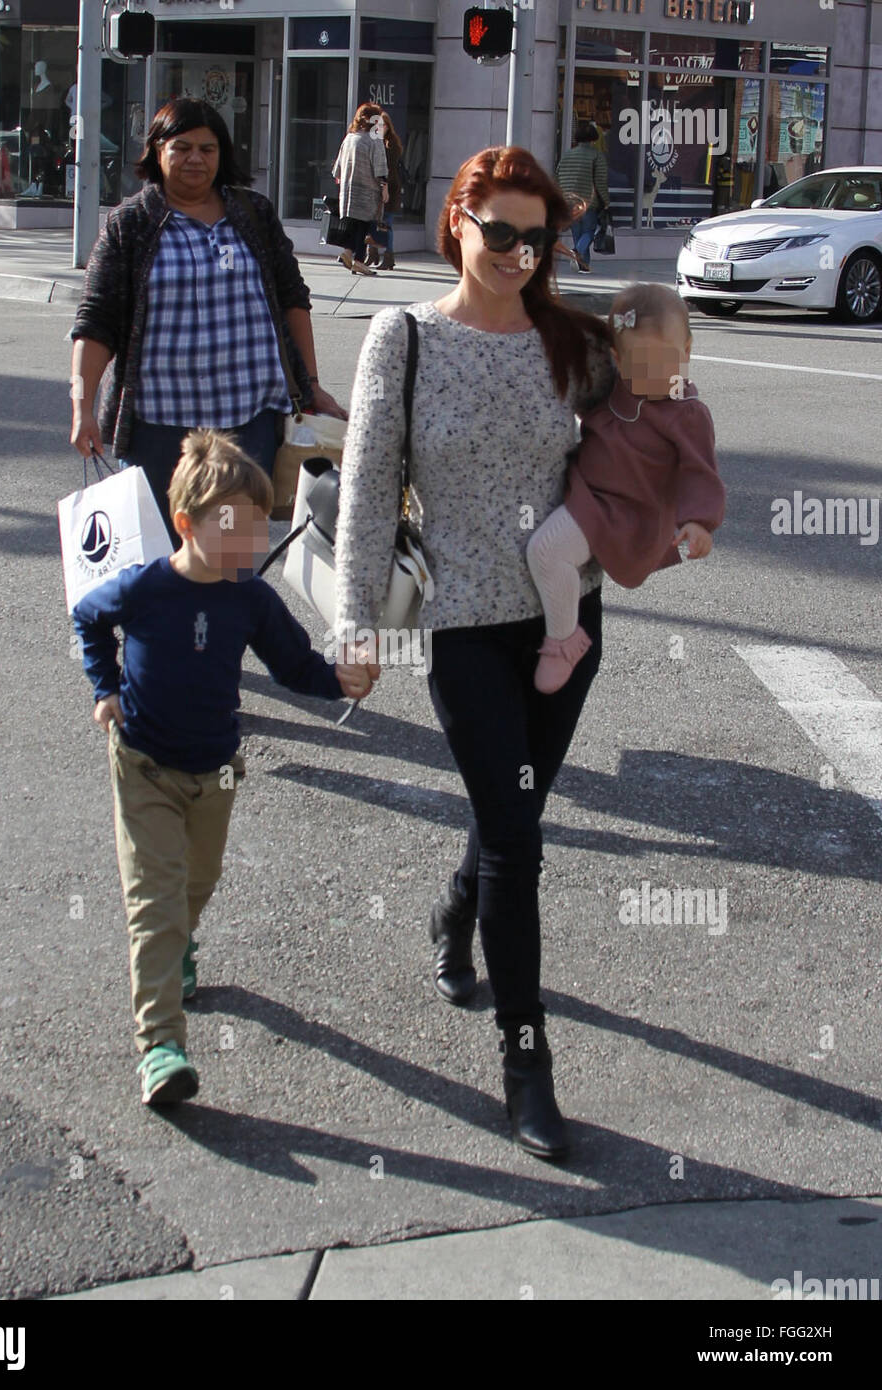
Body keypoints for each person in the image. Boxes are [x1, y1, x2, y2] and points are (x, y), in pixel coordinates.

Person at [333, 146, 616, 1162]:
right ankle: (526, 1058)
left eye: (537, 238)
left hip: (563, 627)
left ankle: (457, 912)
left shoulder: (573, 343)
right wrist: (357, 625)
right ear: (456, 222)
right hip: (459, 627)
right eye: (499, 231)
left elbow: (640, 448)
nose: (519, 254)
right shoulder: (403, 338)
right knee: (516, 835)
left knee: (515, 814)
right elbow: (367, 489)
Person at [72, 430, 378, 1106]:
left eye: (257, 527)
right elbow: (88, 618)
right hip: (143, 765)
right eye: (232, 528)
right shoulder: (144, 589)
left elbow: (296, 667)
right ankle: (161, 1048)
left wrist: (343, 681)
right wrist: (105, 689)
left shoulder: (250, 598)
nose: (249, 543)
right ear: (185, 523)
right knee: (153, 905)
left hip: (215, 773)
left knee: (196, 884)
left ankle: (180, 947)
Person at [70, 97, 346, 541]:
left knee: (232, 553)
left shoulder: (253, 214)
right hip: (159, 427)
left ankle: (223, 615)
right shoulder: (130, 224)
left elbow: (293, 300)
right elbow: (96, 321)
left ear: (222, 156)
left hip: (248, 422)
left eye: (208, 148)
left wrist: (310, 383)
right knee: (162, 552)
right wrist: (82, 407)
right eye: (181, 147)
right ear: (157, 152)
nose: (195, 158)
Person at [526, 284, 725, 693]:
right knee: (542, 551)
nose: (652, 375)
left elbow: (699, 471)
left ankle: (564, 641)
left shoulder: (687, 414)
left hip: (624, 513)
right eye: (639, 364)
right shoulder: (617, 385)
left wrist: (699, 522)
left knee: (545, 552)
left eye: (665, 361)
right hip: (585, 491)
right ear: (617, 359)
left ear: (687, 351)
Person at [331, 103, 388, 276]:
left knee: (353, 225)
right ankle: (359, 261)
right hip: (367, 190)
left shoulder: (350, 138)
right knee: (364, 227)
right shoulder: (374, 140)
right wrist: (384, 188)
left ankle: (348, 253)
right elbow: (380, 168)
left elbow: (337, 168)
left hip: (348, 191)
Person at [555, 120, 609, 273]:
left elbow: (557, 177)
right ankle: (577, 252)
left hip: (568, 202)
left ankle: (583, 265)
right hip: (588, 202)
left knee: (578, 233)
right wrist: (606, 201)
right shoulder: (596, 156)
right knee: (589, 231)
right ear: (593, 138)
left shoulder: (566, 156)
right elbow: (600, 181)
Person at [364, 110, 403, 271]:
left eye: (382, 125)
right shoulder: (375, 142)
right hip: (377, 189)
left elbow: (389, 171)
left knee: (386, 224)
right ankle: (371, 253)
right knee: (373, 222)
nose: (379, 128)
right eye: (377, 125)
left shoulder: (391, 145)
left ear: (388, 127)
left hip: (389, 189)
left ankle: (389, 256)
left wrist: (384, 188)